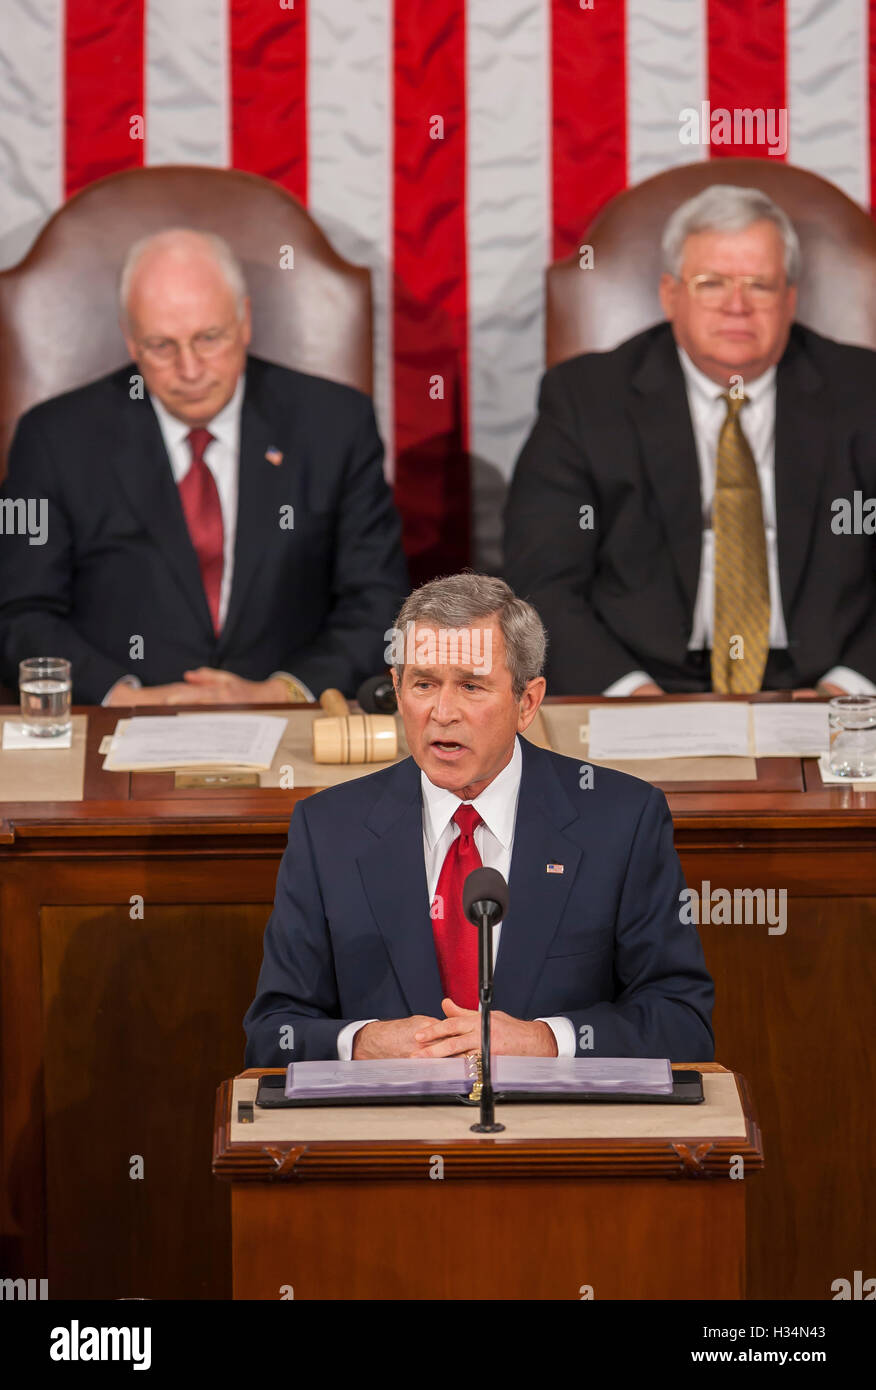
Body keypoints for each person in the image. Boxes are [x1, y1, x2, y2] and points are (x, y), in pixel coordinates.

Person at [244, 573, 714, 1065]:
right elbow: (272, 1033)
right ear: (397, 689)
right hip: (388, 1134)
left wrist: (545, 1042)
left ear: (527, 702)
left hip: (553, 1134)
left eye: (471, 686)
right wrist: (362, 1044)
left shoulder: (622, 821)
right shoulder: (327, 831)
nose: (443, 712)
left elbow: (682, 1023)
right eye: (423, 684)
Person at [0, 228, 408, 705]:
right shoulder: (53, 438)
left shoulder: (334, 424)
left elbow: (377, 600)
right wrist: (123, 699)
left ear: (245, 321)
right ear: (130, 340)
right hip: (116, 730)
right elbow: (19, 610)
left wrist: (282, 692)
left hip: (291, 725)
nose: (190, 370)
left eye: (208, 338)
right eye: (161, 345)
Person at [504, 184, 876, 696]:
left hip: (827, 685)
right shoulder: (586, 399)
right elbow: (543, 580)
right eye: (711, 283)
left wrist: (849, 688)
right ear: (670, 294)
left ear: (790, 299)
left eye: (760, 285)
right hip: (641, 681)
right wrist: (629, 696)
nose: (737, 306)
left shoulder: (863, 392)